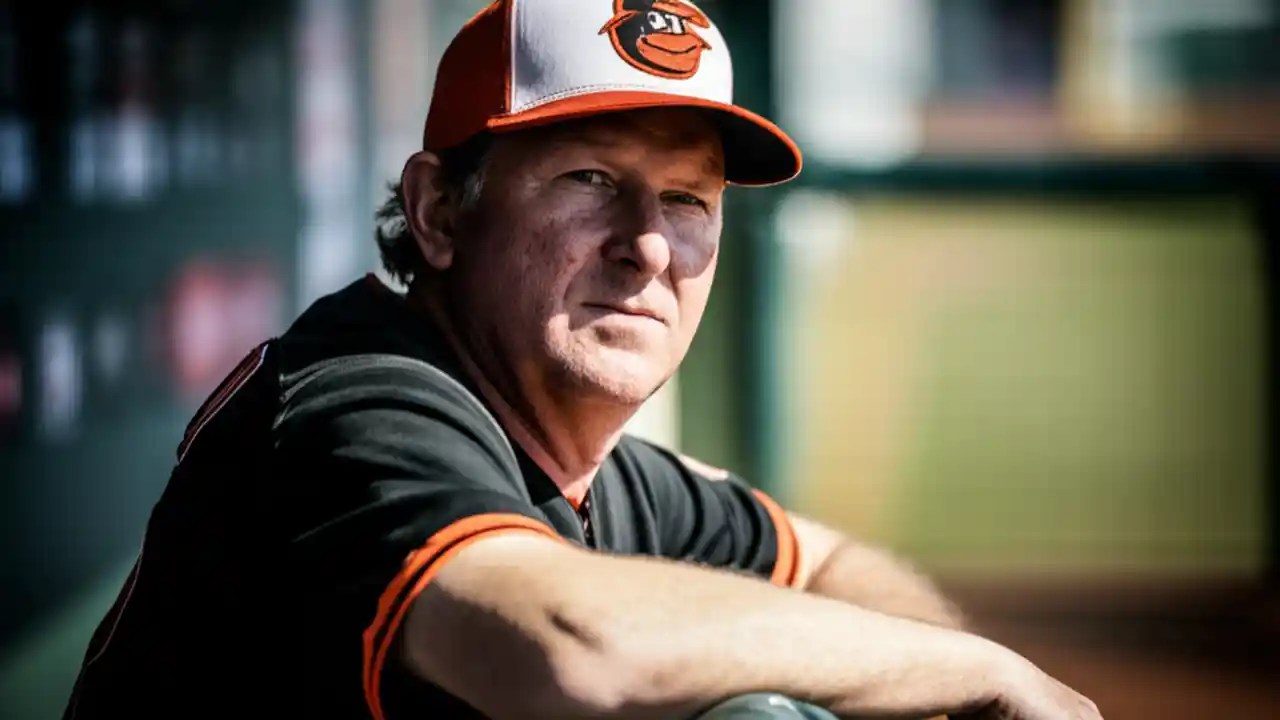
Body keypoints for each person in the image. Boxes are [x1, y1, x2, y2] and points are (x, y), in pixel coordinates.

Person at [64, 1, 1102, 719]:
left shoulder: (599, 467)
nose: (647, 243)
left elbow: (830, 566)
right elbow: (574, 649)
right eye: (590, 180)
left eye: (687, 199)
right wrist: (970, 668)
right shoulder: (352, 400)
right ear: (436, 210)